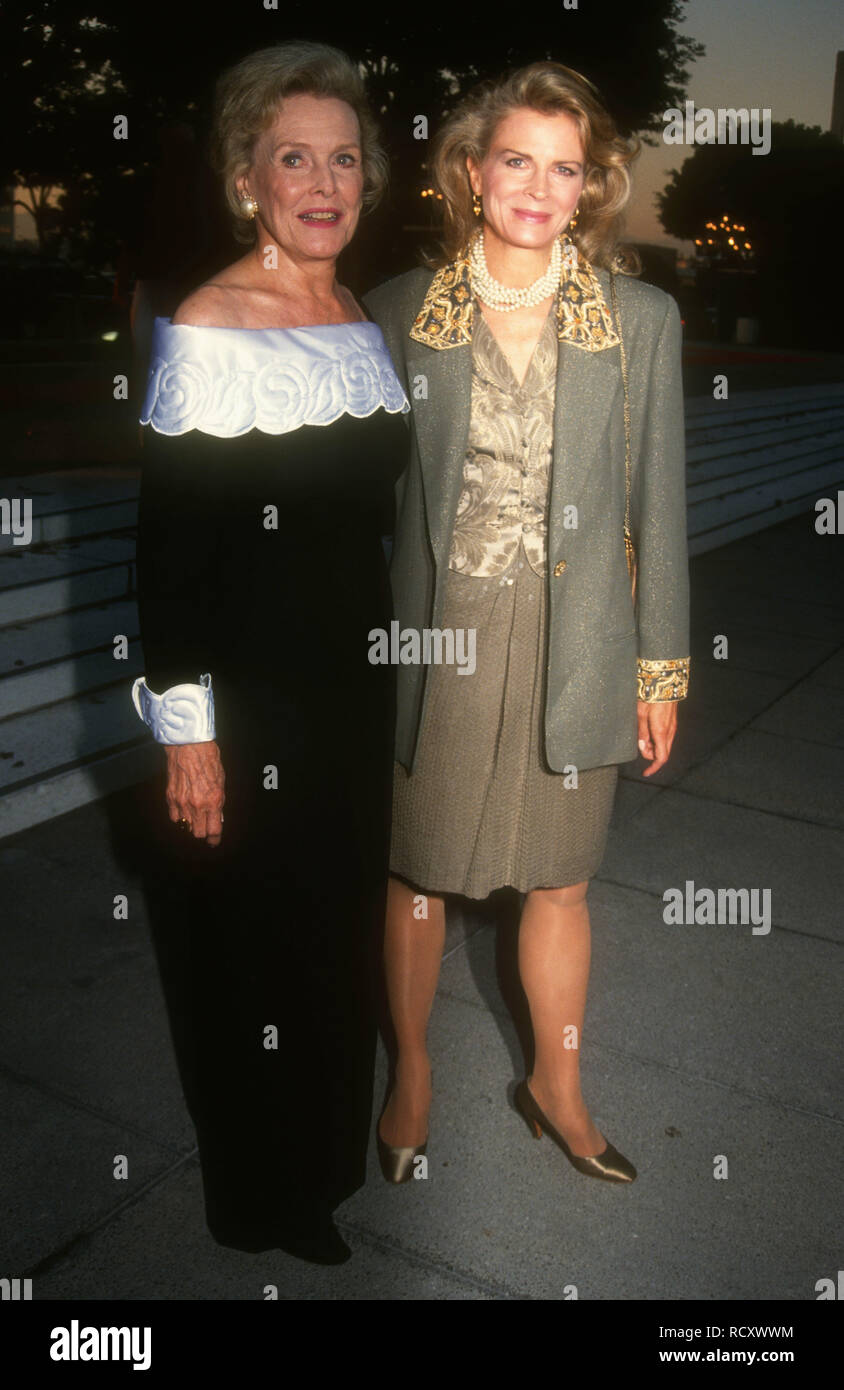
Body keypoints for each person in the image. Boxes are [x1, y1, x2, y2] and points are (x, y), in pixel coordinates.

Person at [365, 61, 689, 1185]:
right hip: (438, 639)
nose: (540, 188)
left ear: (589, 184)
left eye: (565, 168)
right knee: (416, 873)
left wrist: (660, 670)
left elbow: (659, 504)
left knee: (561, 880)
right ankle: (412, 1073)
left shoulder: (639, 320)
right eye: (517, 160)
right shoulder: (398, 311)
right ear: (472, 170)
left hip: (579, 639)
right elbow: (360, 505)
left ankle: (557, 1083)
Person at [131, 41, 408, 1263]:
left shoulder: (357, 315)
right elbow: (170, 558)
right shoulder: (210, 325)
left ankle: (322, 1175)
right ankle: (259, 1199)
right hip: (248, 700)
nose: (322, 183)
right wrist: (188, 736)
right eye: (293, 158)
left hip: (351, 689)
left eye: (342, 159)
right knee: (249, 953)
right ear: (246, 178)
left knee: (336, 937)